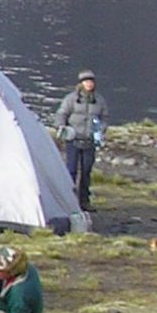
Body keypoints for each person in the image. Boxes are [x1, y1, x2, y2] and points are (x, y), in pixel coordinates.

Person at [52, 69, 108, 213]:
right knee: (71, 171)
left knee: (86, 171)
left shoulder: (100, 100)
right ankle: (68, 202)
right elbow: (61, 114)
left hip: (90, 141)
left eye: (91, 81)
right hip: (73, 140)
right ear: (81, 83)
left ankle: (84, 201)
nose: (89, 84)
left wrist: (101, 130)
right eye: (86, 81)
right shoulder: (71, 99)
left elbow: (104, 118)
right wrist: (62, 127)